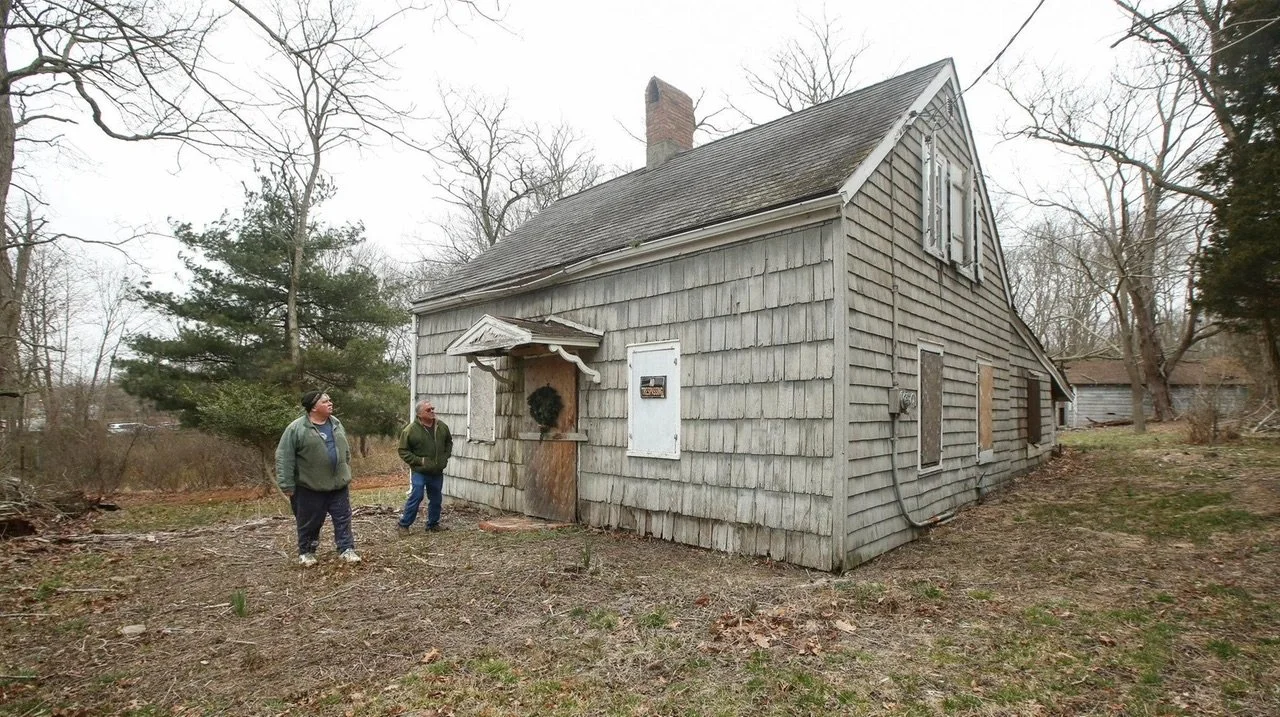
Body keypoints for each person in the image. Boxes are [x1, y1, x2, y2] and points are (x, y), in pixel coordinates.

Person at [276, 390, 361, 566]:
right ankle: (307, 552)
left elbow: (345, 450)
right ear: (313, 408)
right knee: (309, 522)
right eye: (325, 401)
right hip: (310, 487)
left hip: (338, 484)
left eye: (330, 400)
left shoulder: (336, 423)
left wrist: (345, 467)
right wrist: (287, 485)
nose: (330, 403)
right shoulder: (296, 429)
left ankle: (346, 549)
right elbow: (284, 457)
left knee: (343, 518)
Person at [397, 398, 453, 532]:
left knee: (436, 498)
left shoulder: (442, 427)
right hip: (420, 471)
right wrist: (419, 461)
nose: (432, 411)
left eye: (433, 409)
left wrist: (444, 458)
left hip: (436, 471)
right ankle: (404, 525)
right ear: (420, 414)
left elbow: (448, 442)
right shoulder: (410, 430)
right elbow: (403, 451)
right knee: (417, 495)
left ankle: (433, 524)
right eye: (428, 410)